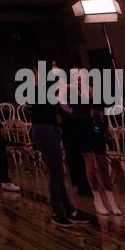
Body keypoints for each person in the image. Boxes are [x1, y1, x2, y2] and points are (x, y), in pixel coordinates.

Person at [26, 71, 86, 227]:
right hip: (45, 131)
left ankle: (68, 208)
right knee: (56, 172)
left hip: (49, 130)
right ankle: (56, 211)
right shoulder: (36, 92)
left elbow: (61, 107)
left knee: (57, 171)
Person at [68, 68, 121, 216]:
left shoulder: (93, 91)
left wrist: (101, 130)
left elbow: (101, 111)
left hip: (96, 130)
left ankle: (111, 199)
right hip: (81, 130)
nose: (78, 80)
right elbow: (67, 110)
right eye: (75, 77)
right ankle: (97, 198)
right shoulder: (70, 94)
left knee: (102, 163)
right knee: (90, 164)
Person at [53, 58, 91, 199]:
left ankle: (84, 183)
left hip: (76, 119)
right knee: (72, 152)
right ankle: (79, 183)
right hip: (67, 121)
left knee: (78, 152)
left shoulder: (71, 82)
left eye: (55, 66)